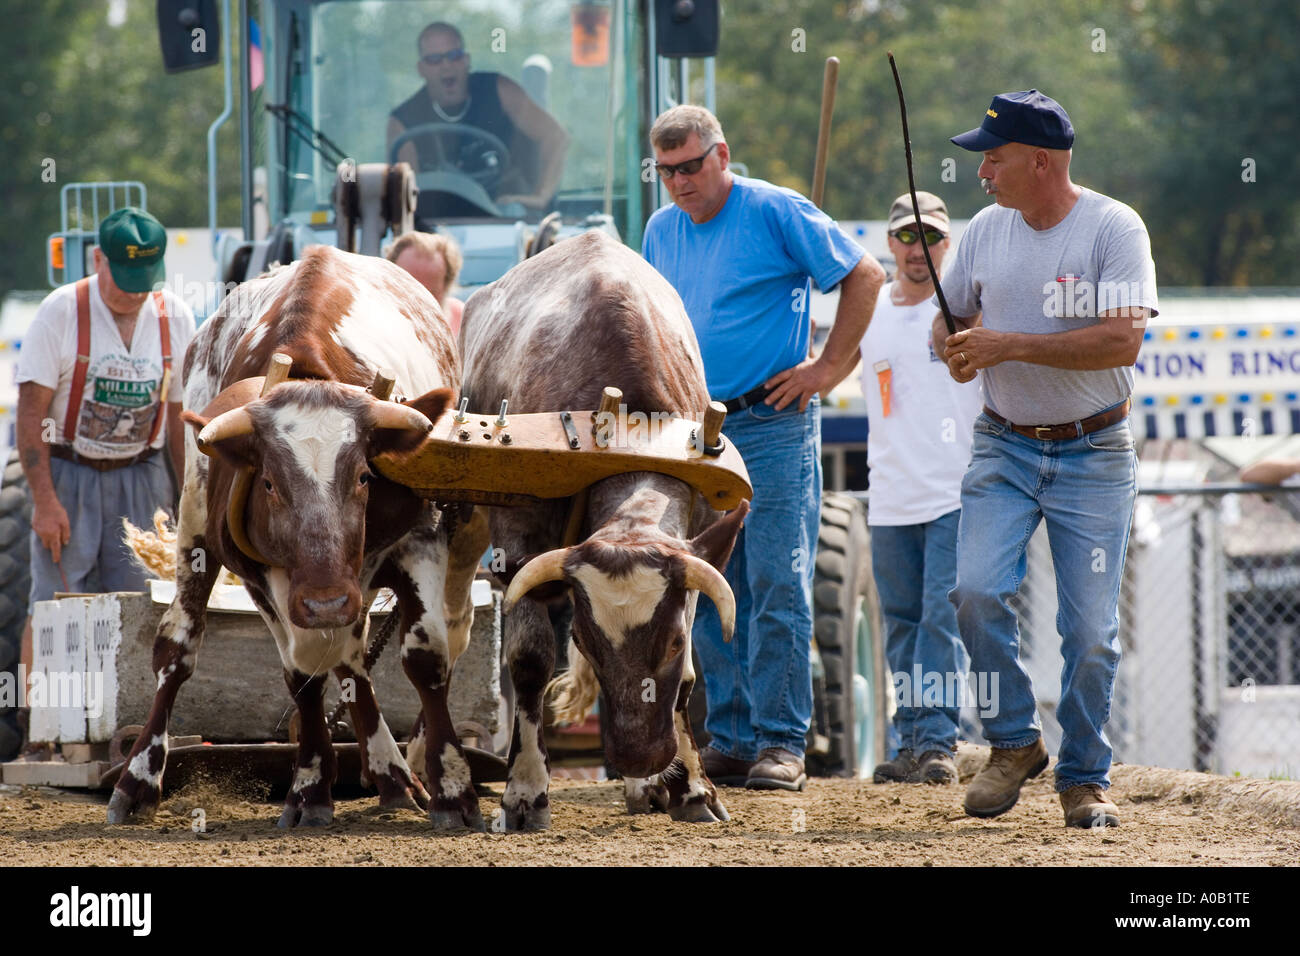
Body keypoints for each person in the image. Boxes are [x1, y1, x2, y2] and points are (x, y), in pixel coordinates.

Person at [642, 105, 885, 791]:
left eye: (690, 166)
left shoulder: (776, 210)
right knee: (713, 582)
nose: (681, 183)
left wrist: (827, 370)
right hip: (696, 431)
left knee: (778, 576)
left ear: (721, 155)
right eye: (667, 172)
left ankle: (781, 741)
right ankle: (733, 736)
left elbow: (865, 276)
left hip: (772, 421)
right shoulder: (661, 231)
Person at [934, 90, 1158, 827]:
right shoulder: (982, 232)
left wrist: (1009, 345)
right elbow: (954, 314)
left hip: (1095, 452)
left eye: (992, 158)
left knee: (1090, 634)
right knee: (972, 592)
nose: (982, 173)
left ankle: (1085, 777)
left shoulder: (1114, 228)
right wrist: (953, 344)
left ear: (1041, 161)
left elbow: (1123, 340)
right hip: (1003, 443)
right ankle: (1014, 743)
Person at [16, 207, 195, 694]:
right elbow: (30, 415)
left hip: (143, 475)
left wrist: (187, 500)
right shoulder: (61, 312)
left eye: (145, 279)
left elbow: (178, 421)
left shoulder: (174, 316)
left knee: (143, 607)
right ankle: (44, 734)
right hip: (70, 473)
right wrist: (46, 501)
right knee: (55, 605)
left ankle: (129, 730)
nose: (135, 291)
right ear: (98, 260)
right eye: (125, 278)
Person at [847, 191, 980, 786]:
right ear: (889, 243)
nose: (917, 249)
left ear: (948, 244)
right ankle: (911, 739)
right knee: (901, 621)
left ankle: (937, 741)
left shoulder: (967, 307)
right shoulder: (868, 307)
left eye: (930, 237)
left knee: (938, 619)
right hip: (890, 493)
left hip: (956, 492)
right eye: (906, 236)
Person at [388, 21, 568, 213]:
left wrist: (540, 196)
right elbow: (408, 202)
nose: (446, 66)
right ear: (421, 69)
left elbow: (555, 137)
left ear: (466, 60)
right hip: (438, 227)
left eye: (454, 56)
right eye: (434, 59)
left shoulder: (499, 90)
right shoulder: (402, 122)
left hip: (507, 218)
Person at [385, 230, 466, 337]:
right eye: (408, 291)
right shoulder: (371, 324)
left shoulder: (462, 320)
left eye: (430, 294)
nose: (418, 305)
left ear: (447, 287)